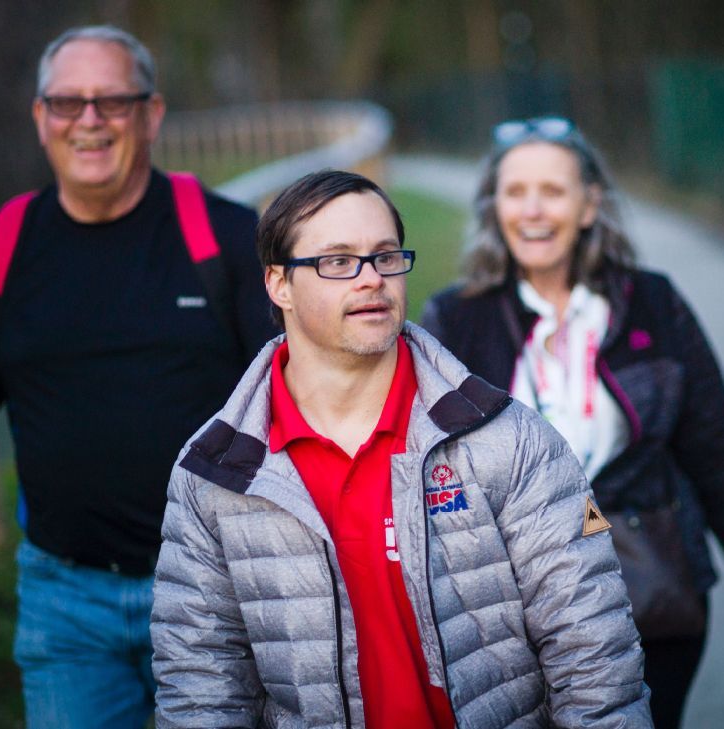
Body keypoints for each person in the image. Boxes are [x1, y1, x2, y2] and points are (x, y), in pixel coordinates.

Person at [151, 169, 653, 728]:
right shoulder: (214, 474)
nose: (371, 279)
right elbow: (202, 687)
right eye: (337, 261)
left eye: (385, 256)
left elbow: (593, 656)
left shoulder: (510, 440)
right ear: (278, 284)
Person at [0, 25, 275, 728]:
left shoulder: (228, 237)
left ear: (151, 114)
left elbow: (298, 406)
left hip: (218, 586)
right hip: (64, 599)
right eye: (67, 103)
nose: (88, 121)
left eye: (113, 101)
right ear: (40, 117)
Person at [422, 117, 724, 728]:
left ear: (590, 204)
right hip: (512, 613)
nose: (533, 210)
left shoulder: (656, 303)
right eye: (515, 192)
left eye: (553, 191)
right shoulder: (456, 320)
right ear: (494, 207)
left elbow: (714, 454)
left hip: (652, 593)